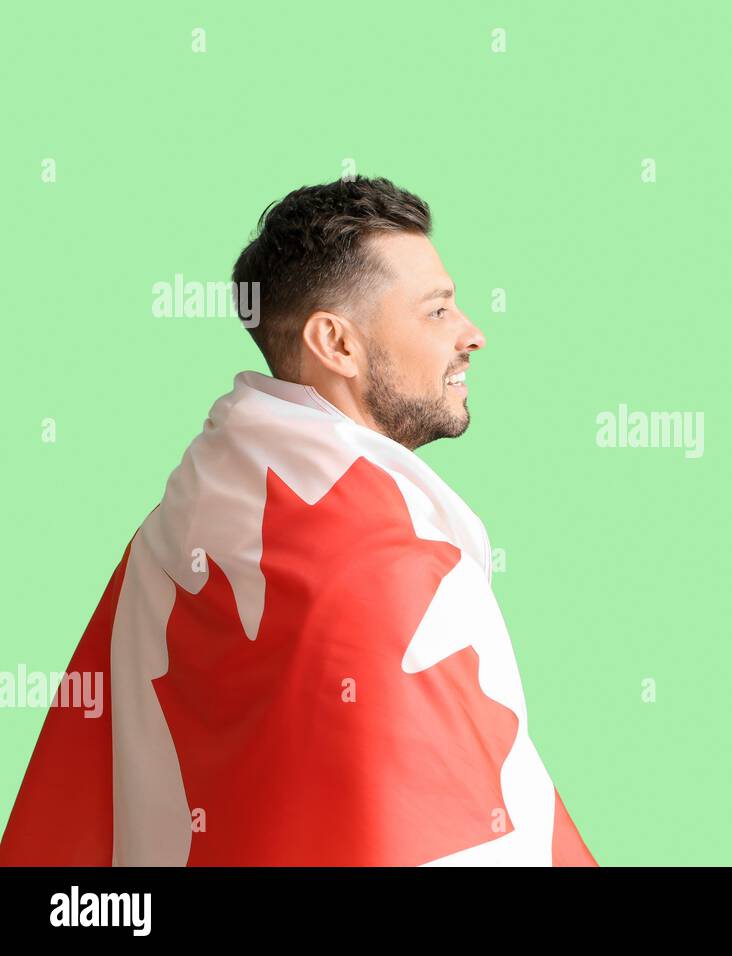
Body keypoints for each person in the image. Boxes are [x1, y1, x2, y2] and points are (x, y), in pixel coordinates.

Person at [0, 176, 597, 866]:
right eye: (436, 311)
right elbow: (460, 840)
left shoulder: (179, 527)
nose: (472, 334)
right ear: (336, 345)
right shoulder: (393, 566)